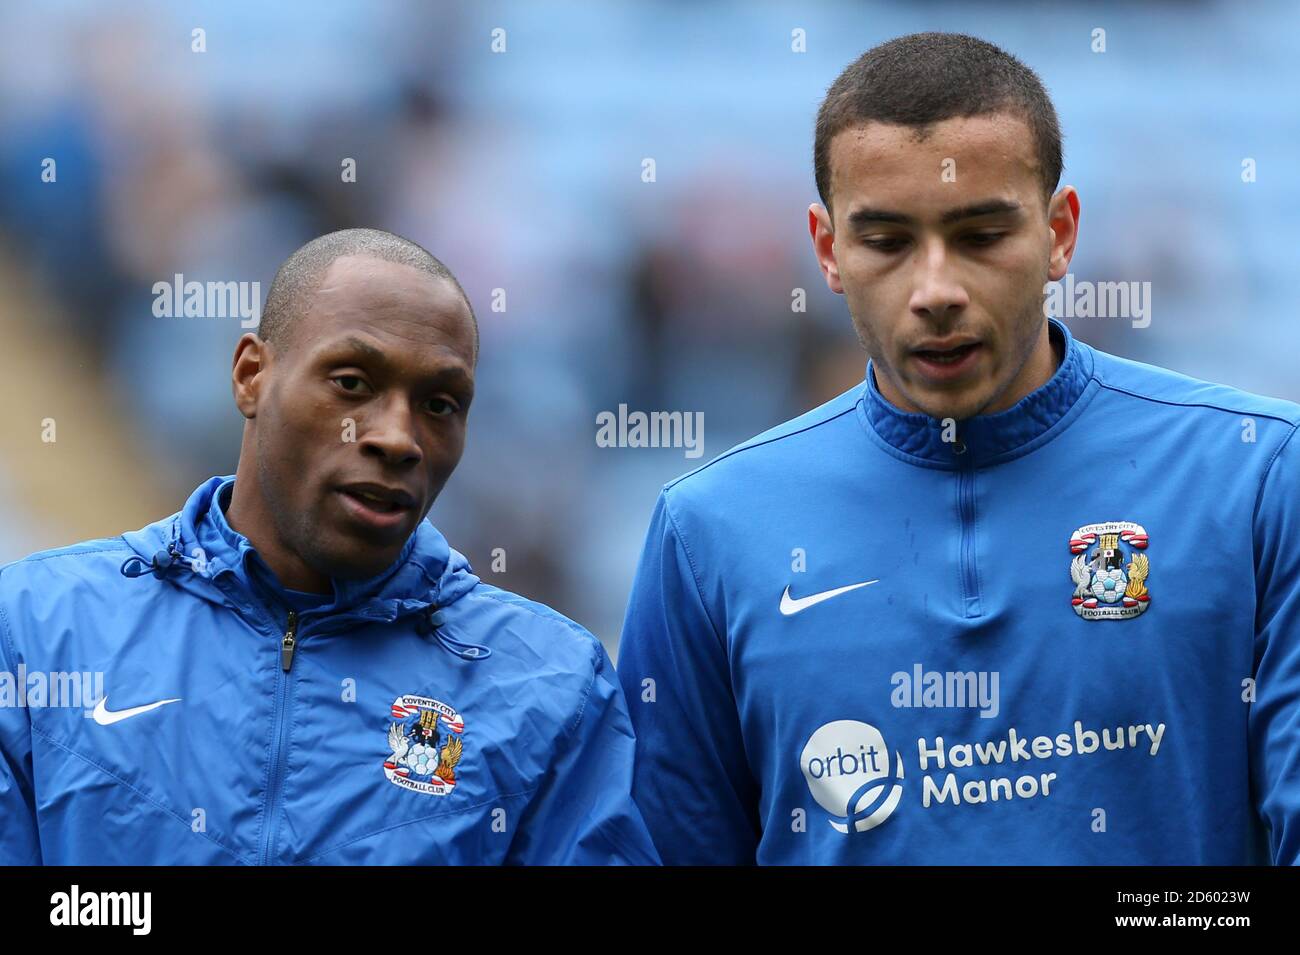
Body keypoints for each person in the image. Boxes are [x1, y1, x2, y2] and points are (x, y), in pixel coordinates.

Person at [616, 33, 1300, 865]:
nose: (936, 290)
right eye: (887, 242)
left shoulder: (1256, 477)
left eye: (980, 235)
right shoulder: (707, 534)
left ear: (1059, 232)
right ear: (829, 250)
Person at [0, 228, 659, 865]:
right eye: (352, 382)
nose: (399, 438)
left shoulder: (547, 687)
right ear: (251, 374)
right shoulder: (39, 630)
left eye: (439, 403)